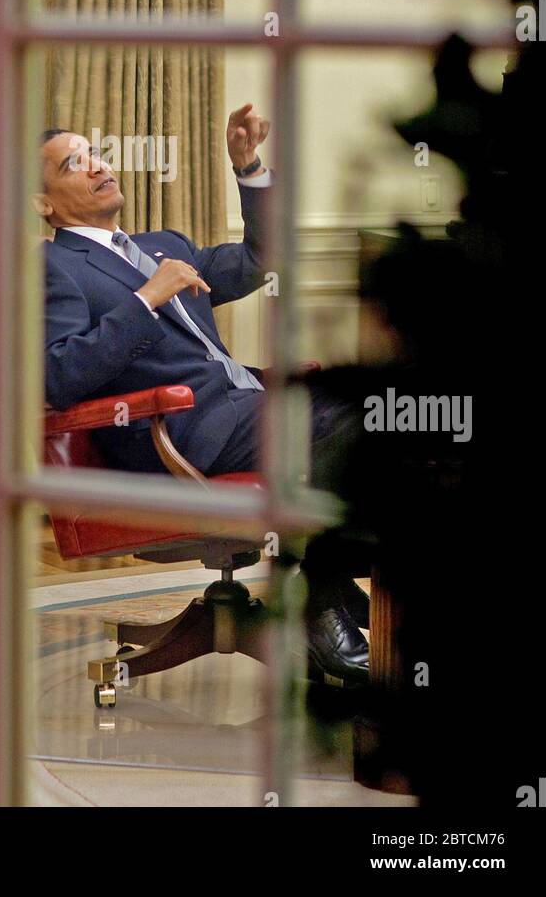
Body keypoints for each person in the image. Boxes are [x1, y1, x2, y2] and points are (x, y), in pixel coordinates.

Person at [35, 104, 369, 686]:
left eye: (95, 153)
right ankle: (322, 599)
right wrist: (146, 300)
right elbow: (58, 376)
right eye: (73, 163)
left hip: (240, 403)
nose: (96, 166)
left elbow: (261, 261)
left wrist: (249, 170)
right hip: (177, 432)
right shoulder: (54, 266)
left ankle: (334, 586)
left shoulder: (164, 244)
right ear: (44, 203)